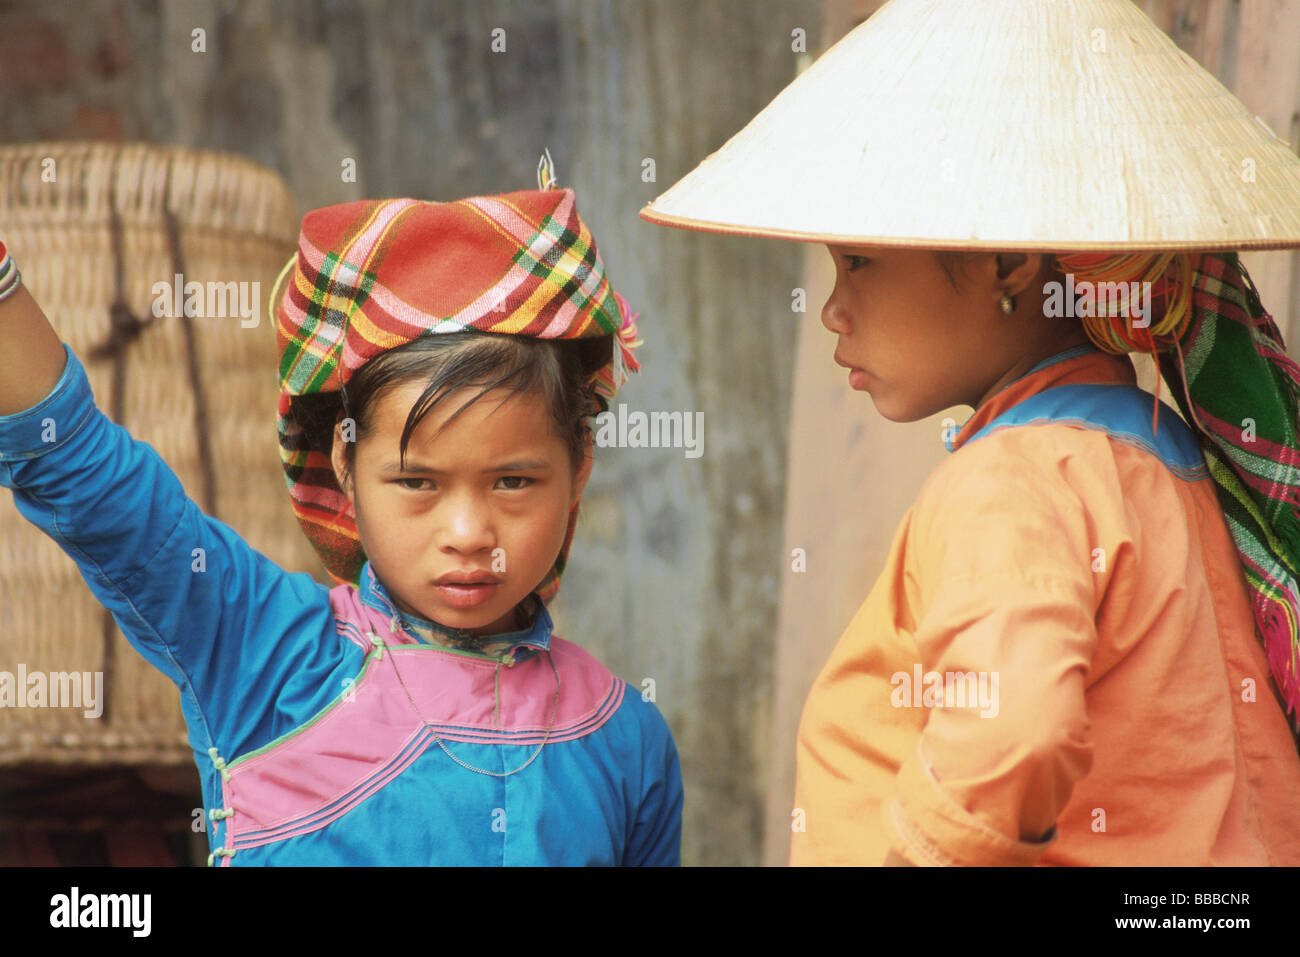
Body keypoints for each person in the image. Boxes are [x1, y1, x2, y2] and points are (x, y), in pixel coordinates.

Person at [641, 0, 1300, 865]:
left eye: (862, 263)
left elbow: (1014, 728)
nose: (835, 308)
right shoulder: (1161, 457)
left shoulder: (1014, 479)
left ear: (1008, 263)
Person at [0, 173, 683, 866]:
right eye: (417, 481)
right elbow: (76, 462)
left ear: (580, 466)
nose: (469, 532)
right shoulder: (265, 651)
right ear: (345, 471)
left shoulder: (626, 741)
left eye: (513, 481)